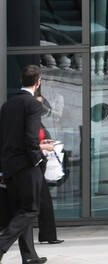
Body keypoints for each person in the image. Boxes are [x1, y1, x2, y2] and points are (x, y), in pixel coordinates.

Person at [0, 65, 48, 264]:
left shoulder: (8, 105)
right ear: (38, 82)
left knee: (22, 210)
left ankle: (29, 256)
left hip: (10, 165)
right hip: (26, 165)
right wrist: (37, 158)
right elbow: (30, 137)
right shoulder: (32, 104)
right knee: (30, 209)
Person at [36, 90, 64, 245]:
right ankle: (48, 235)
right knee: (30, 207)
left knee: (43, 201)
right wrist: (43, 146)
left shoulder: (37, 121)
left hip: (39, 164)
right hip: (31, 164)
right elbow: (29, 143)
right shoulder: (30, 120)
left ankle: (48, 235)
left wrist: (47, 143)